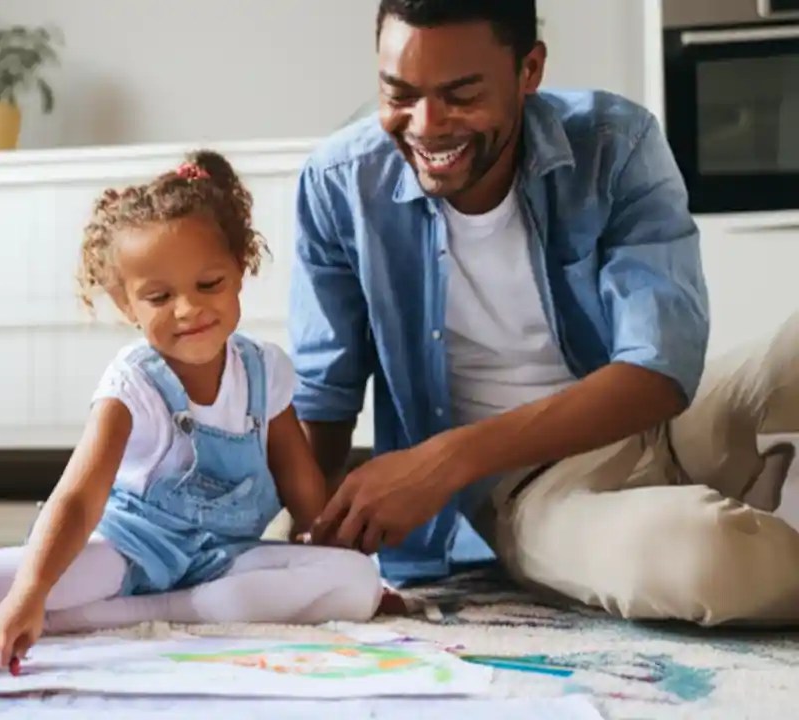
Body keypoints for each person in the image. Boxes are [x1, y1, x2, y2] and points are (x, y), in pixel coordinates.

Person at [0, 150, 392, 676]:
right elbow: (76, 499)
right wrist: (29, 593)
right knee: (52, 576)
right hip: (128, 549)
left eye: (210, 283)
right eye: (159, 296)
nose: (188, 309)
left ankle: (145, 615)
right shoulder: (134, 384)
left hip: (224, 559)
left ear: (241, 271)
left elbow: (304, 489)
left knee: (356, 584)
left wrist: (339, 560)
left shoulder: (265, 370)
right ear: (125, 304)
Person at [289, 0, 799, 626]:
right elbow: (325, 396)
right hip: (529, 489)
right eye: (400, 94)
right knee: (700, 558)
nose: (426, 125)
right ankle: (752, 516)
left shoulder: (614, 141)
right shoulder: (341, 183)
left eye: (460, 95)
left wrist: (445, 459)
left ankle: (756, 505)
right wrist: (296, 546)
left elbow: (660, 373)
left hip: (669, 420)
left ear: (528, 71)